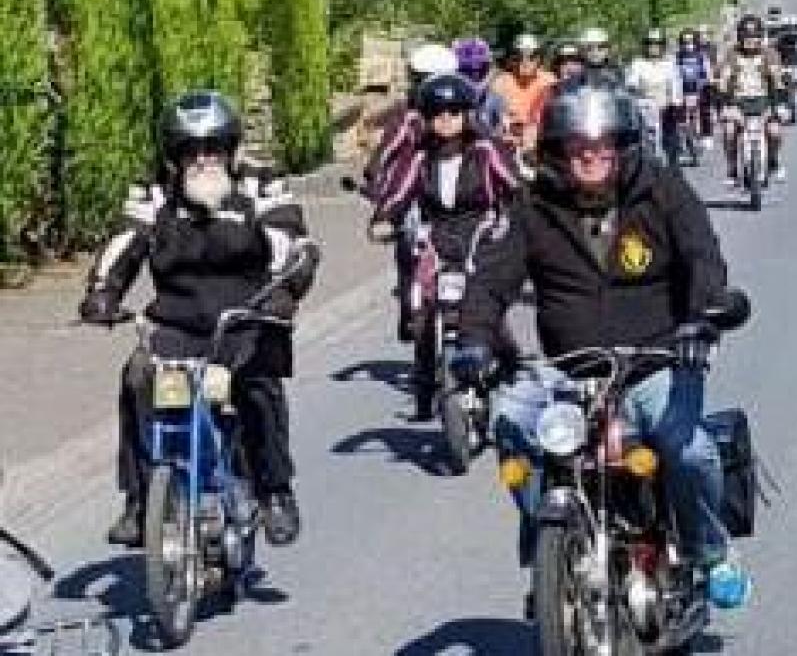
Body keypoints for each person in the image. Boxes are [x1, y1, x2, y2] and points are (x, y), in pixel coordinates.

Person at [451, 79, 751, 614]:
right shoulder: (532, 208)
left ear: (624, 146)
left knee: (691, 451)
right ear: (556, 153)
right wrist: (472, 342)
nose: (590, 157)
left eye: (602, 145)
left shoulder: (662, 190)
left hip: (655, 363)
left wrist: (703, 320)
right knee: (513, 424)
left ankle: (709, 555)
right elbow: (492, 281)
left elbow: (703, 257)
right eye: (576, 147)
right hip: (568, 373)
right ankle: (548, 538)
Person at [79, 91, 319, 548]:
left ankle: (274, 490)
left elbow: (290, 237)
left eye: (213, 148)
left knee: (259, 384)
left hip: (248, 320)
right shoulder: (154, 192)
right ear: (173, 155)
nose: (202, 159)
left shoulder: (258, 185)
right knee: (137, 378)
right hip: (177, 325)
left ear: (230, 149)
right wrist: (102, 292)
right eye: (190, 150)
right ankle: (139, 499)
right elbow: (124, 239)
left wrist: (285, 291)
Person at [367, 74, 521, 420]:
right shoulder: (420, 157)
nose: (446, 118)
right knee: (421, 315)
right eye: (437, 111)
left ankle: (509, 364)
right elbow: (399, 191)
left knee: (487, 306)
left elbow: (513, 185)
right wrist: (384, 218)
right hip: (437, 236)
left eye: (454, 110)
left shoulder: (486, 150)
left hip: (481, 234)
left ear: (468, 114)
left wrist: (522, 217)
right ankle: (425, 386)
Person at [364, 43, 459, 342]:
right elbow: (385, 158)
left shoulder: (466, 118)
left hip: (462, 202)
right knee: (408, 246)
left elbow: (492, 154)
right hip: (417, 201)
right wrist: (378, 186)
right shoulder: (407, 120)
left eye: (419, 79)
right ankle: (411, 310)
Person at [716, 14, 789, 185]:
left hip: (764, 101)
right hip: (737, 102)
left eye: (755, 36)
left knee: (774, 131)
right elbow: (724, 78)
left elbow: (777, 78)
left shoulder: (769, 53)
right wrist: (724, 98)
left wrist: (779, 103)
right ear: (740, 37)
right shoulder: (731, 54)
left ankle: (773, 161)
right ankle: (732, 169)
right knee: (729, 131)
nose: (750, 40)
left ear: (761, 37)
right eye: (746, 36)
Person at [490, 34, 556, 155]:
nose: (524, 62)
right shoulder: (501, 82)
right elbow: (495, 118)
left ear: (539, 59)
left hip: (542, 141)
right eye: (518, 57)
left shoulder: (549, 80)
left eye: (531, 57)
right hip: (511, 142)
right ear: (511, 58)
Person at [626, 28, 682, 166]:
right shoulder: (638, 64)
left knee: (671, 136)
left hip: (666, 109)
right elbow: (631, 84)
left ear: (662, 46)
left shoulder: (669, 64)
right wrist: (639, 92)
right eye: (650, 44)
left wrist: (674, 102)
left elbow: (675, 85)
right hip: (644, 108)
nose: (654, 47)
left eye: (657, 44)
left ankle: (672, 164)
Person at [453, 37, 506, 137]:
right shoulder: (448, 100)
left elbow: (501, 130)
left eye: (480, 69)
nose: (474, 75)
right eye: (467, 70)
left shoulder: (495, 99)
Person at [675, 27, 715, 148]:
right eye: (685, 42)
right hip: (683, 88)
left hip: (699, 87)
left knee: (704, 108)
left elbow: (708, 70)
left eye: (691, 41)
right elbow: (672, 72)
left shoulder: (701, 56)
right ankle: (680, 136)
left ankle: (707, 134)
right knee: (678, 111)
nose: (688, 45)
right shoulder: (677, 57)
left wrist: (710, 79)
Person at [770, 14, 797, 107]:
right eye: (788, 28)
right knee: (777, 81)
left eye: (794, 28)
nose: (791, 30)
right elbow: (772, 49)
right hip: (783, 65)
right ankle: (778, 98)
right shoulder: (779, 39)